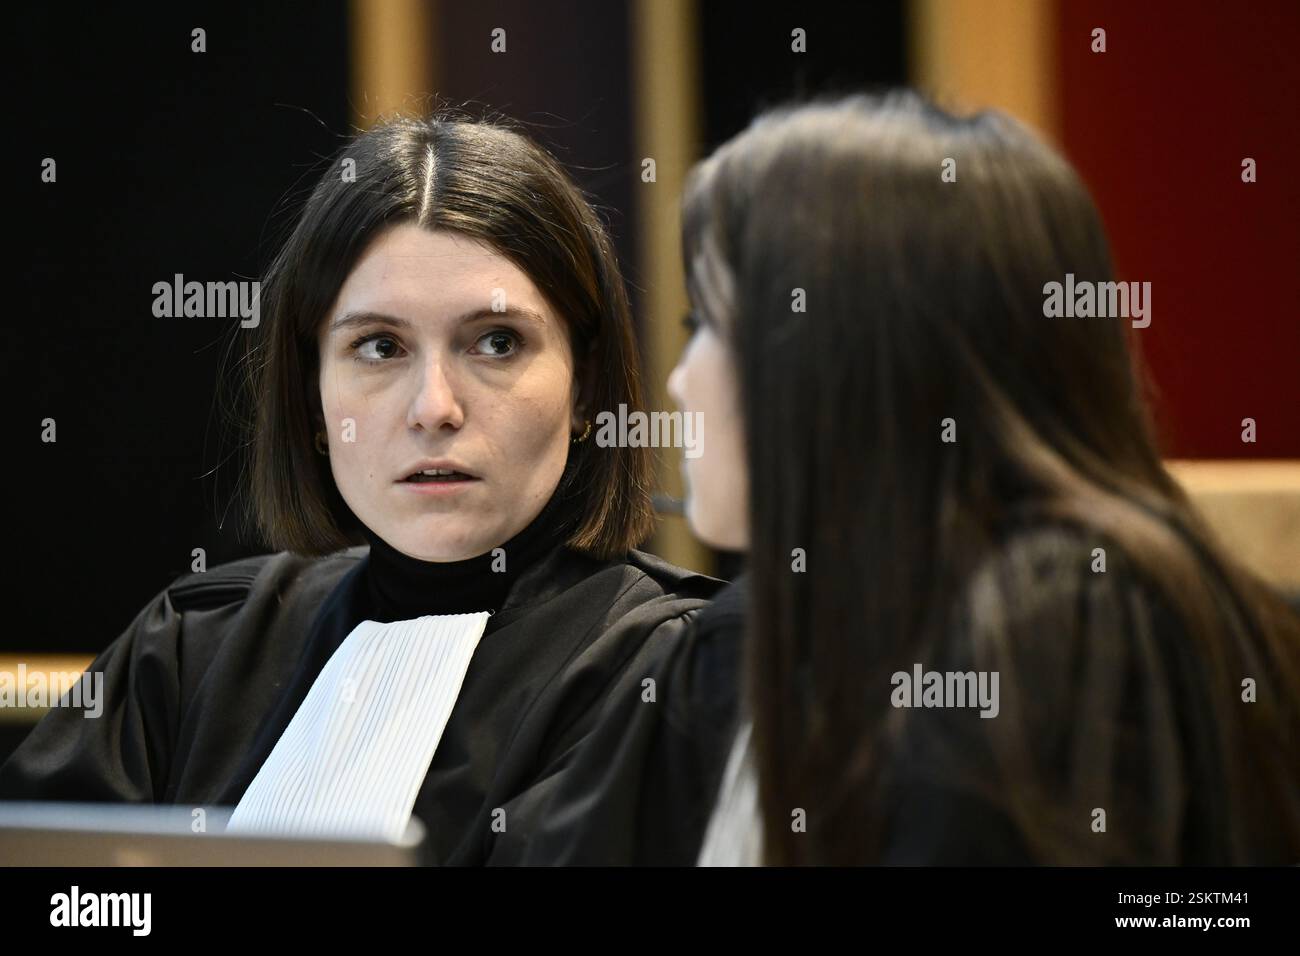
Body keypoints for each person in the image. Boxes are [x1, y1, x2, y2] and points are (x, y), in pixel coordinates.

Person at [529, 90, 1300, 866]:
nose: (678, 380)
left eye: (709, 329)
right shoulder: (771, 621)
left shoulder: (1059, 626)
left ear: (844, 356)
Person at [0, 112, 722, 865]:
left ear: (584, 387)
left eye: (497, 342)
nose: (435, 408)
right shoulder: (188, 648)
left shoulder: (671, 671)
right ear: (311, 398)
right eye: (379, 347)